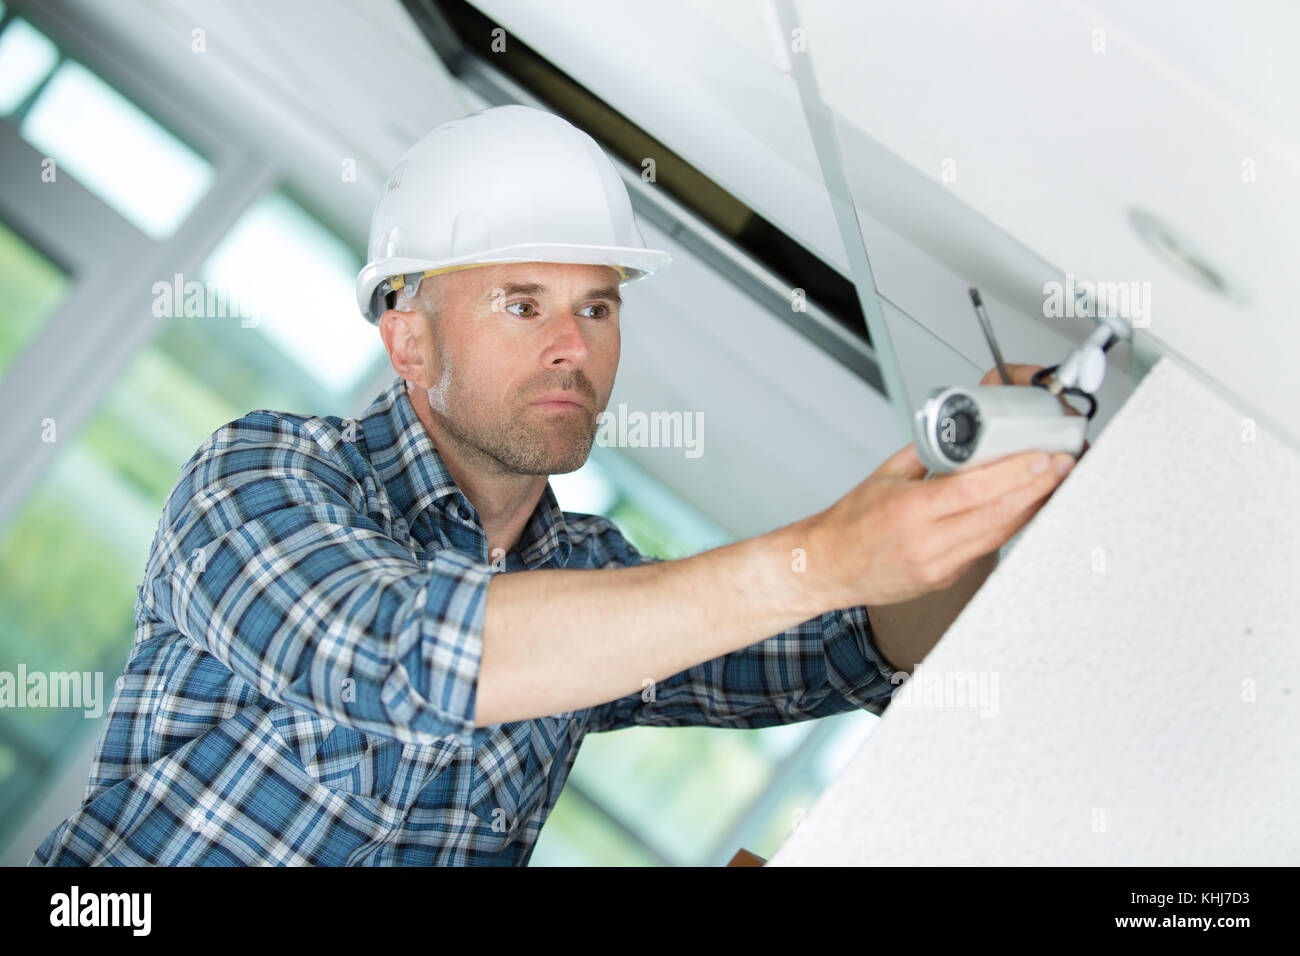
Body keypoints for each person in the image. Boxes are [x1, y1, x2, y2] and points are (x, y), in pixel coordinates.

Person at [31, 105, 1078, 866]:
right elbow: (403, 655)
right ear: (407, 333)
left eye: (599, 306)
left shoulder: (587, 577)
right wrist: (821, 555)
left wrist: (975, 492)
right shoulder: (258, 478)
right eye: (522, 304)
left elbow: (846, 645)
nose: (573, 347)